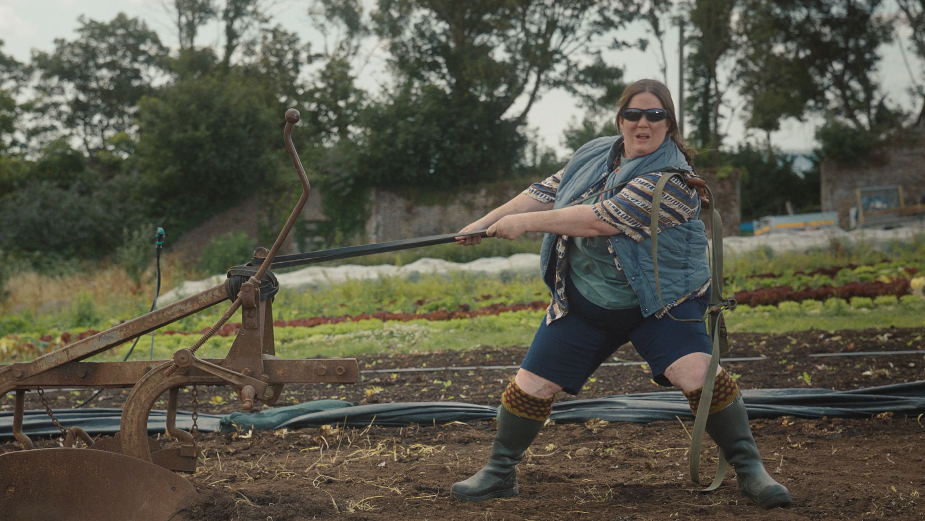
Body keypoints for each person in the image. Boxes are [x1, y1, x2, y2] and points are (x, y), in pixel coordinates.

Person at [452, 79, 791, 509]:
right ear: (620, 119)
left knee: (696, 374)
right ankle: (500, 472)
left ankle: (750, 469)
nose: (642, 122)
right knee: (531, 385)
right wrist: (485, 222)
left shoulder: (676, 181)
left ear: (669, 123)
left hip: (662, 304)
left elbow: (601, 219)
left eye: (655, 115)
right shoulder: (594, 154)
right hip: (589, 301)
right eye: (634, 114)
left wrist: (525, 226)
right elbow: (545, 192)